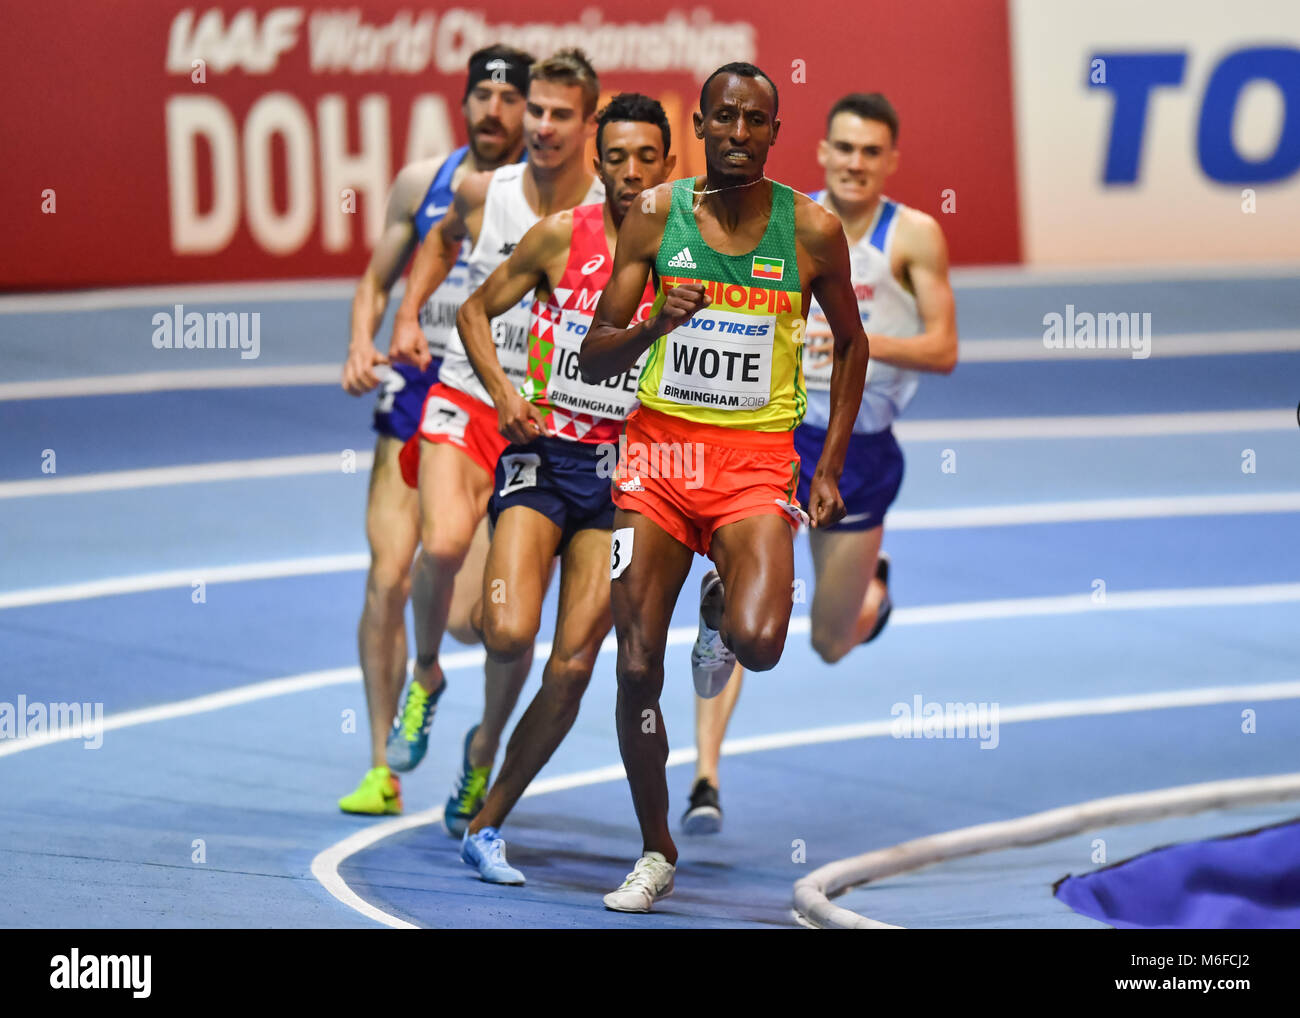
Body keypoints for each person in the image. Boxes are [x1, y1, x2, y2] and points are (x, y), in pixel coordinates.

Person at [580, 63, 871, 912]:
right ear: (699, 124)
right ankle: (655, 848)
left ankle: (720, 613)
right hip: (659, 463)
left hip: (752, 467)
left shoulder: (812, 231)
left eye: (757, 121)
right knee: (635, 666)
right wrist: (656, 324)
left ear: (775, 133)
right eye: (725, 119)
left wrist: (829, 464)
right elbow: (595, 353)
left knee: (763, 642)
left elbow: (853, 345)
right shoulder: (653, 216)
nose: (740, 134)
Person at [681, 91, 959, 836]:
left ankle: (876, 590)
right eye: (844, 149)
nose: (856, 164)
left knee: (829, 643)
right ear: (822, 153)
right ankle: (705, 777)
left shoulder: (914, 236)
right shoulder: (787, 223)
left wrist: (856, 343)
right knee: (740, 613)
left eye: (871, 152)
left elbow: (944, 351)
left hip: (860, 453)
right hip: (773, 440)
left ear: (891, 161)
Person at [452, 94, 673, 884]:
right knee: (506, 632)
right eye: (615, 158)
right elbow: (474, 310)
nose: (630, 173)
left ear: (668, 167)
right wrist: (503, 397)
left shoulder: (684, 256)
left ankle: (486, 823)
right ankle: (481, 741)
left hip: (623, 482)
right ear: (597, 162)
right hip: (542, 459)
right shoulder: (559, 237)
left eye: (647, 158)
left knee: (574, 668)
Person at [388, 49, 606, 835]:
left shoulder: (612, 209)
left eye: (557, 115)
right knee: (440, 543)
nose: (541, 127)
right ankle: (423, 678)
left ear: (589, 122)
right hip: (468, 393)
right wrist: (409, 314)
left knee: (497, 625)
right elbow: (440, 241)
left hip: (547, 430)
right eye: (534, 111)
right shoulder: (486, 190)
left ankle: (482, 748)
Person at [336, 44, 532, 816]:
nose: (494, 110)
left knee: (470, 619)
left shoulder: (537, 197)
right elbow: (374, 280)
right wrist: (364, 340)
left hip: (502, 395)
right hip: (421, 387)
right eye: (481, 96)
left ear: (532, 112)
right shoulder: (423, 184)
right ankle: (383, 766)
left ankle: (469, 724)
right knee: (387, 573)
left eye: (509, 99)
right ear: (463, 103)